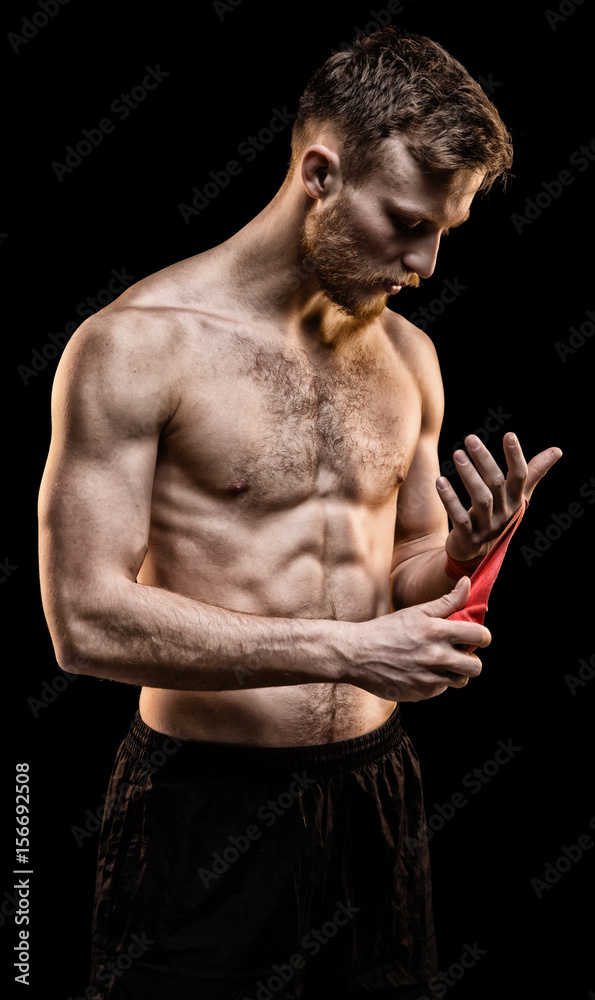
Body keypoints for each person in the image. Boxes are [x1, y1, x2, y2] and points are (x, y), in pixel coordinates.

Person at [38, 26, 561, 1000]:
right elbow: (85, 619)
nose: (428, 262)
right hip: (201, 804)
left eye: (444, 229)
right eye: (407, 221)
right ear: (319, 173)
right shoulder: (136, 347)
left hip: (374, 790)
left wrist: (453, 554)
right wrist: (348, 651)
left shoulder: (408, 357)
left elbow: (400, 566)